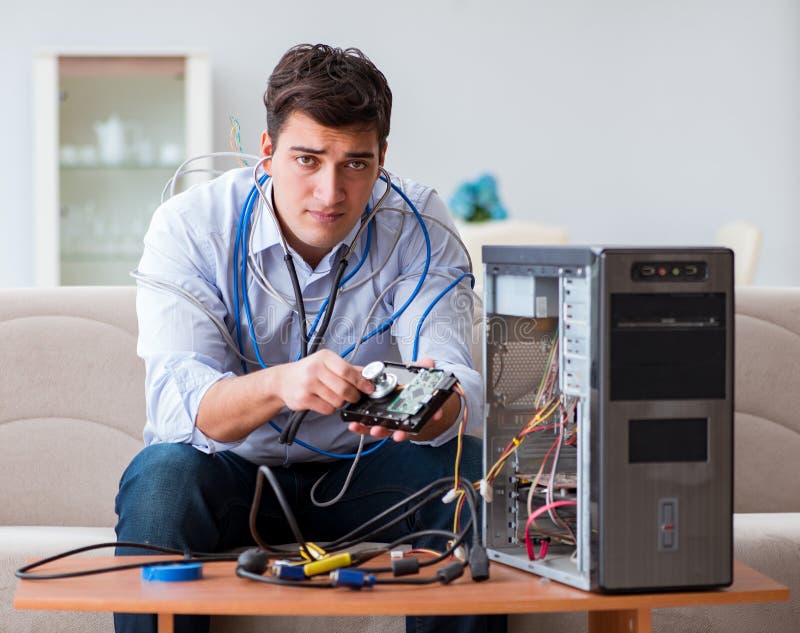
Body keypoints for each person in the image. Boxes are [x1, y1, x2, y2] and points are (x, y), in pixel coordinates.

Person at [115, 43, 505, 633]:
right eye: (307, 159)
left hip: (367, 469)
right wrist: (279, 385)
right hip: (233, 475)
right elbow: (177, 408)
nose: (330, 192)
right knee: (160, 478)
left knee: (467, 475)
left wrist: (424, 404)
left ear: (382, 161)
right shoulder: (192, 225)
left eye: (355, 163)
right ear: (266, 153)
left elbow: (458, 391)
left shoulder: (417, 223)